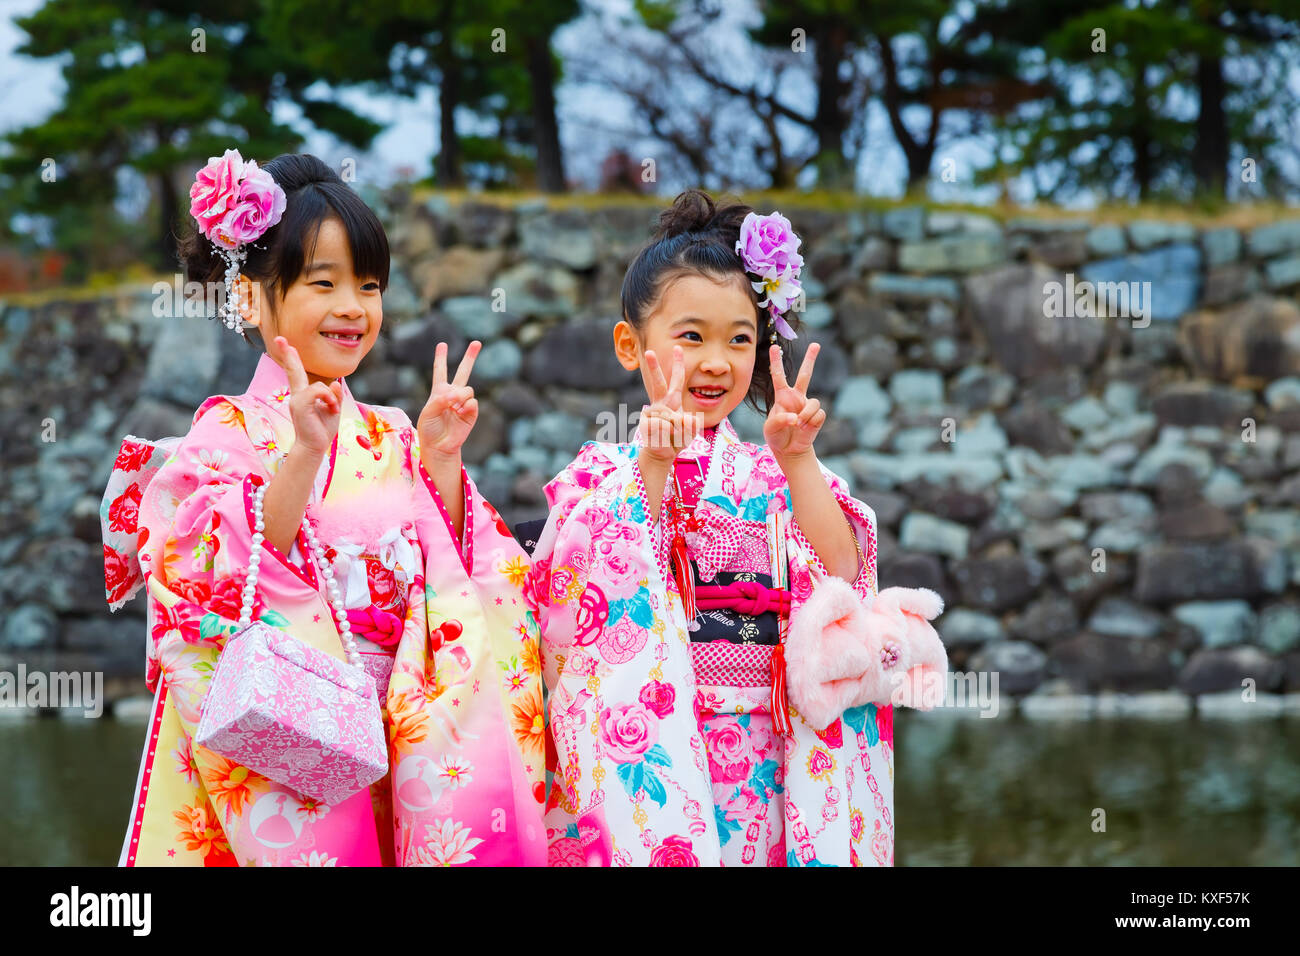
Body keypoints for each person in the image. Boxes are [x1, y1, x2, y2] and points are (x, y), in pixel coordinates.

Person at [101, 150, 545, 866]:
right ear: (251, 296)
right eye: (323, 282)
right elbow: (213, 585)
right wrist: (303, 454)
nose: (352, 308)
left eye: (369, 286)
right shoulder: (227, 431)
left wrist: (440, 459)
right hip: (290, 729)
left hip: (400, 732)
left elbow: (470, 574)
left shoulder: (393, 430)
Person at [528, 188, 945, 867]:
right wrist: (653, 463)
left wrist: (799, 459)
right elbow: (572, 593)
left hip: (776, 741)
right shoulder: (608, 468)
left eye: (739, 338)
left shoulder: (775, 467)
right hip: (668, 731)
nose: (717, 361)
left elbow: (844, 572)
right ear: (631, 345)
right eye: (691, 336)